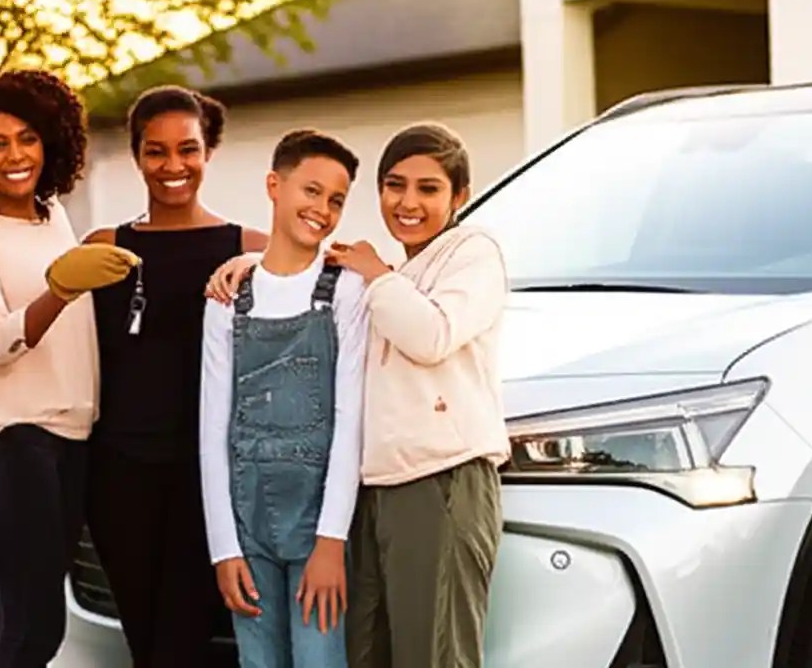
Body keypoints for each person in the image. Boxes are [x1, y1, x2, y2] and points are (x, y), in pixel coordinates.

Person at [205, 122, 511, 668]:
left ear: (460, 197)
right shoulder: (399, 273)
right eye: (395, 185)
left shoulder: (472, 252)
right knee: (370, 653)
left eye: (429, 188)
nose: (408, 202)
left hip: (440, 480)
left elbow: (432, 335)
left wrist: (373, 272)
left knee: (432, 654)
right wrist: (252, 268)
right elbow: (300, 278)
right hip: (379, 492)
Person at [0, 69, 138, 668]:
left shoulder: (52, 215)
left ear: (52, 142)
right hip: (10, 437)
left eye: (28, 138)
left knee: (20, 619)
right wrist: (59, 290)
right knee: (37, 627)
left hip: (69, 432)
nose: (16, 155)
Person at [81, 84, 270, 667]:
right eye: (155, 151)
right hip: (118, 480)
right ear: (137, 156)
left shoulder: (250, 249)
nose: (172, 166)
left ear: (207, 152)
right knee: (145, 641)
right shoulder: (104, 249)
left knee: (184, 643)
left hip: (206, 480)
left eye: (187, 149)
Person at [199, 129, 367, 668]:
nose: (322, 209)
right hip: (248, 528)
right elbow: (212, 431)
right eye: (311, 191)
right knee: (258, 662)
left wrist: (331, 541)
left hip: (320, 521)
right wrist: (224, 548)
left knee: (321, 660)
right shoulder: (228, 298)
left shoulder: (345, 289)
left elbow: (350, 421)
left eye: (336, 200)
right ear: (275, 186)